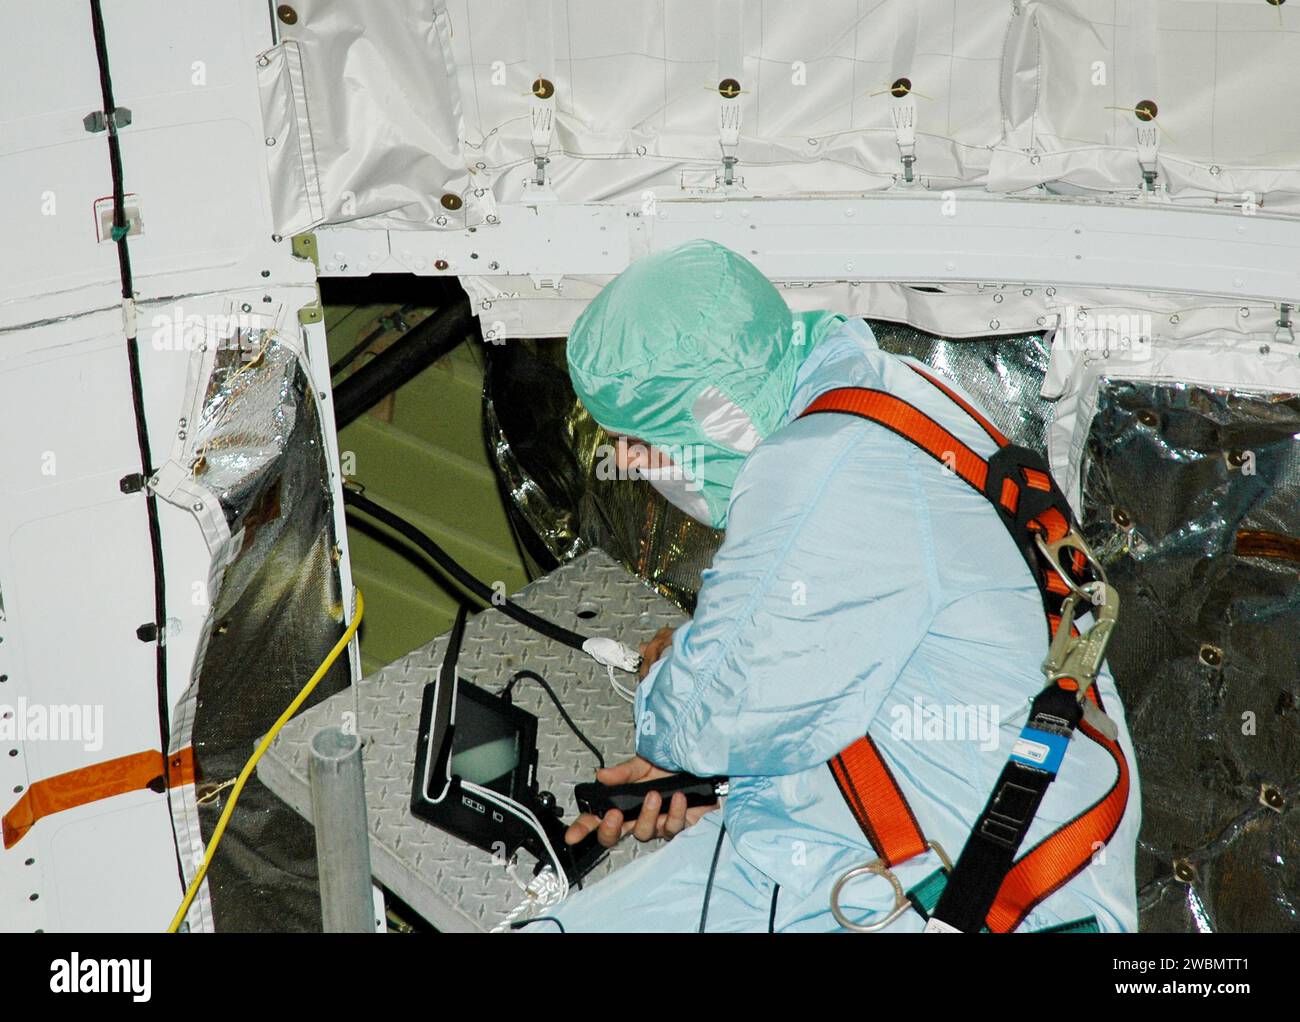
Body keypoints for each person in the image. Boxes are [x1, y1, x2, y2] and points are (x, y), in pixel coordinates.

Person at [540, 239, 1140, 933]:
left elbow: (698, 717)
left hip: (972, 900)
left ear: (709, 411)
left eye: (638, 439)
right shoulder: (886, 397)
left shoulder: (823, 463)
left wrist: (662, 678)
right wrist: (729, 779)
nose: (628, 462)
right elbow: (836, 684)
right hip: (898, 856)